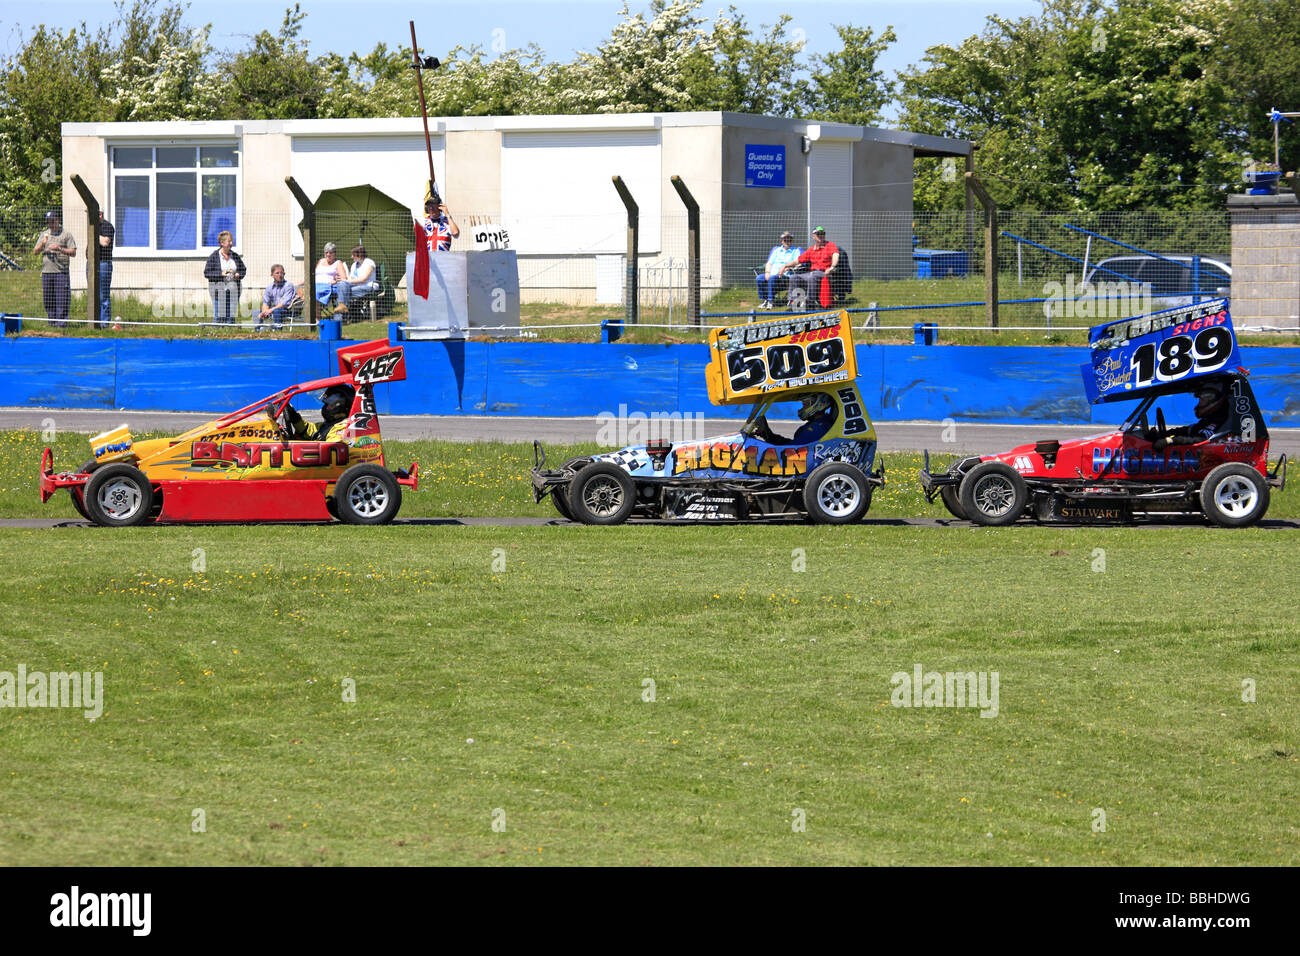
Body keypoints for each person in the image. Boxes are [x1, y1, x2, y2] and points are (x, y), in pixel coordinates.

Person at [1153, 381, 1233, 450]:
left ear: (1211, 399)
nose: (1198, 404)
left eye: (1201, 400)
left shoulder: (1219, 420)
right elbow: (1190, 429)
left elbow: (1201, 439)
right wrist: (1164, 434)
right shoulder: (1209, 419)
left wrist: (1171, 441)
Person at [33, 210, 76, 329]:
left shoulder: (66, 234)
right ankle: (51, 322)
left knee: (61, 298)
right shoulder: (44, 234)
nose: (50, 224)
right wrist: (42, 244)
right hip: (47, 272)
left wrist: (59, 249)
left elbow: (73, 252)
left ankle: (61, 324)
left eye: (52, 221)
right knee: (48, 298)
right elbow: (35, 252)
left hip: (61, 272)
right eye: (48, 222)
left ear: (58, 220)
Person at [780, 226, 840, 310]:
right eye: (818, 234)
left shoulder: (830, 245)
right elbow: (797, 260)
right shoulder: (812, 249)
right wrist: (785, 266)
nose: (820, 236)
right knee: (794, 277)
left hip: (825, 273)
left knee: (813, 275)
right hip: (812, 273)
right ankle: (794, 302)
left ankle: (809, 302)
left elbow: (835, 255)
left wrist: (832, 267)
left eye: (822, 234)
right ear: (813, 236)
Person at [283, 384, 355, 442]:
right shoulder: (330, 423)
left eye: (330, 405)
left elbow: (328, 450)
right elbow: (311, 430)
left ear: (342, 406)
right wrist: (295, 417)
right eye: (326, 404)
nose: (326, 407)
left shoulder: (342, 427)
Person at [203, 230, 246, 324]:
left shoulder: (235, 256)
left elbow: (243, 269)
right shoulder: (214, 256)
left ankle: (230, 334)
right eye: (229, 241)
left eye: (232, 241)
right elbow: (207, 273)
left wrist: (239, 274)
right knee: (219, 315)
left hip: (234, 289)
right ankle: (217, 334)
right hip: (218, 289)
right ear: (222, 243)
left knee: (230, 316)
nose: (231, 243)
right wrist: (220, 274)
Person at [755, 231, 802, 309]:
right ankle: (764, 300)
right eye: (785, 240)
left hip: (785, 276)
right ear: (782, 241)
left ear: (792, 241)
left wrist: (787, 268)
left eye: (789, 240)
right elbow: (769, 263)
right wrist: (767, 272)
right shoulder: (776, 250)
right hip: (772, 274)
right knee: (759, 278)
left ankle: (771, 301)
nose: (787, 242)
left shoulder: (795, 251)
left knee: (772, 278)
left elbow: (798, 263)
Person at [314, 242, 351, 314]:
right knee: (301, 289)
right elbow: (314, 274)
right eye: (326, 252)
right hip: (315, 284)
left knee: (315, 292)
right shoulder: (321, 261)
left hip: (327, 286)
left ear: (334, 253)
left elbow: (344, 278)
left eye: (330, 252)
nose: (328, 254)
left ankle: (316, 318)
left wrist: (335, 281)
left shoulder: (338, 263)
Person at [257, 264, 296, 331]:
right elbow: (265, 302)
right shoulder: (269, 287)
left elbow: (285, 303)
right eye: (277, 273)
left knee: (276, 311)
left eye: (281, 273)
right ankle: (257, 331)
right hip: (274, 309)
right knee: (257, 312)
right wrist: (264, 312)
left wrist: (271, 310)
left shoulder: (288, 285)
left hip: (288, 310)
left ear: (284, 274)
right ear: (272, 275)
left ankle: (278, 331)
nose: (280, 275)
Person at [96, 215, 114, 329]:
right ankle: (95, 322)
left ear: (100, 214)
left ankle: (104, 323)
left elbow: (105, 242)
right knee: (94, 294)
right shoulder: (92, 226)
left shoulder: (107, 226)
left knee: (103, 295)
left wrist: (94, 234)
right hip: (92, 263)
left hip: (104, 263)